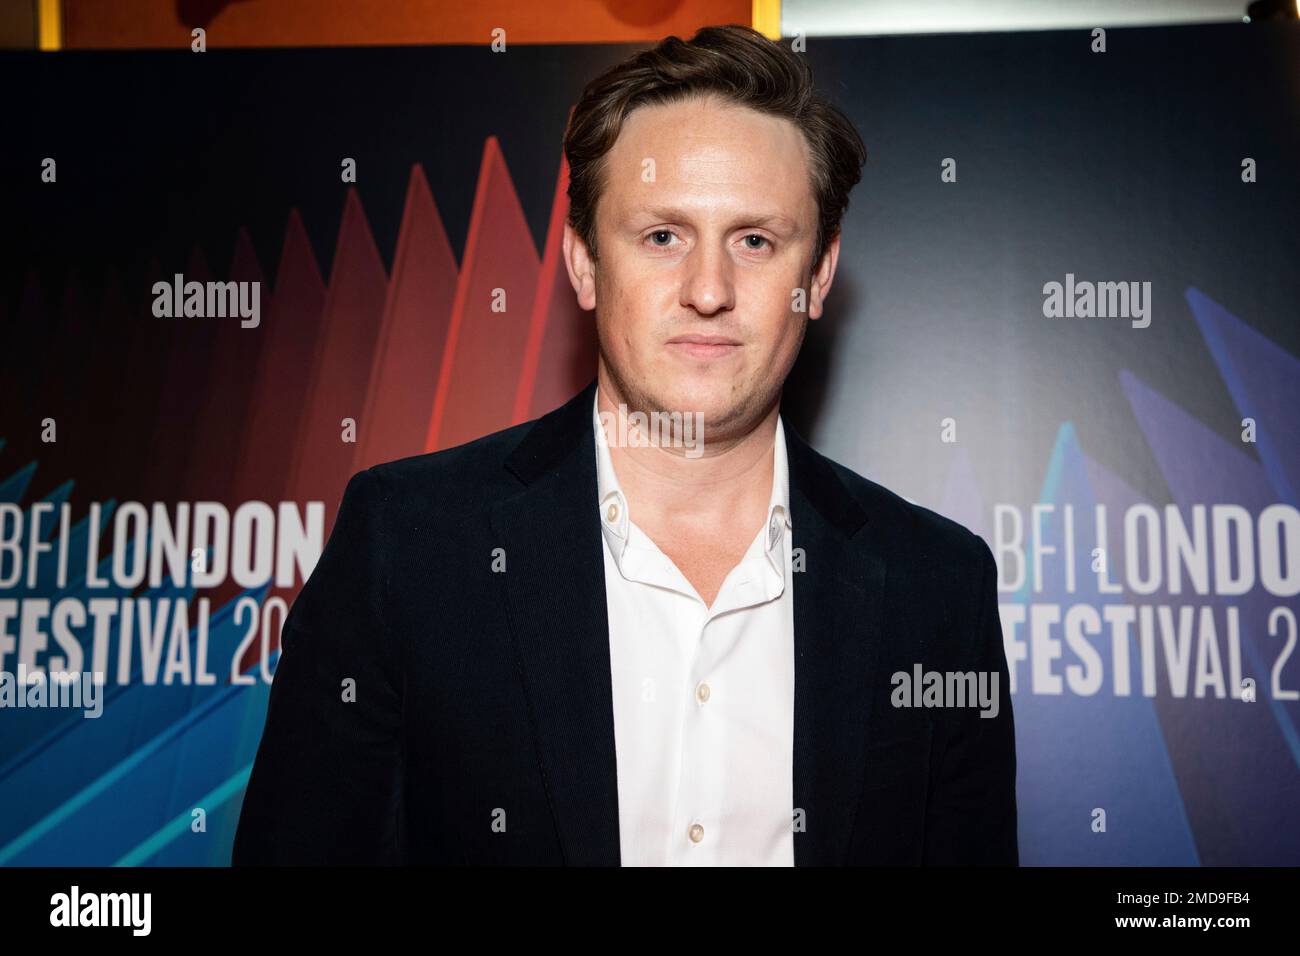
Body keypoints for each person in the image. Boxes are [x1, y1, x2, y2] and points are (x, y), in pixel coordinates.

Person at [232, 23, 1017, 866]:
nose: (709, 291)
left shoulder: (937, 588)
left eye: (755, 240)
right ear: (582, 265)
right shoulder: (409, 546)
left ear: (817, 276)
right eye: (662, 236)